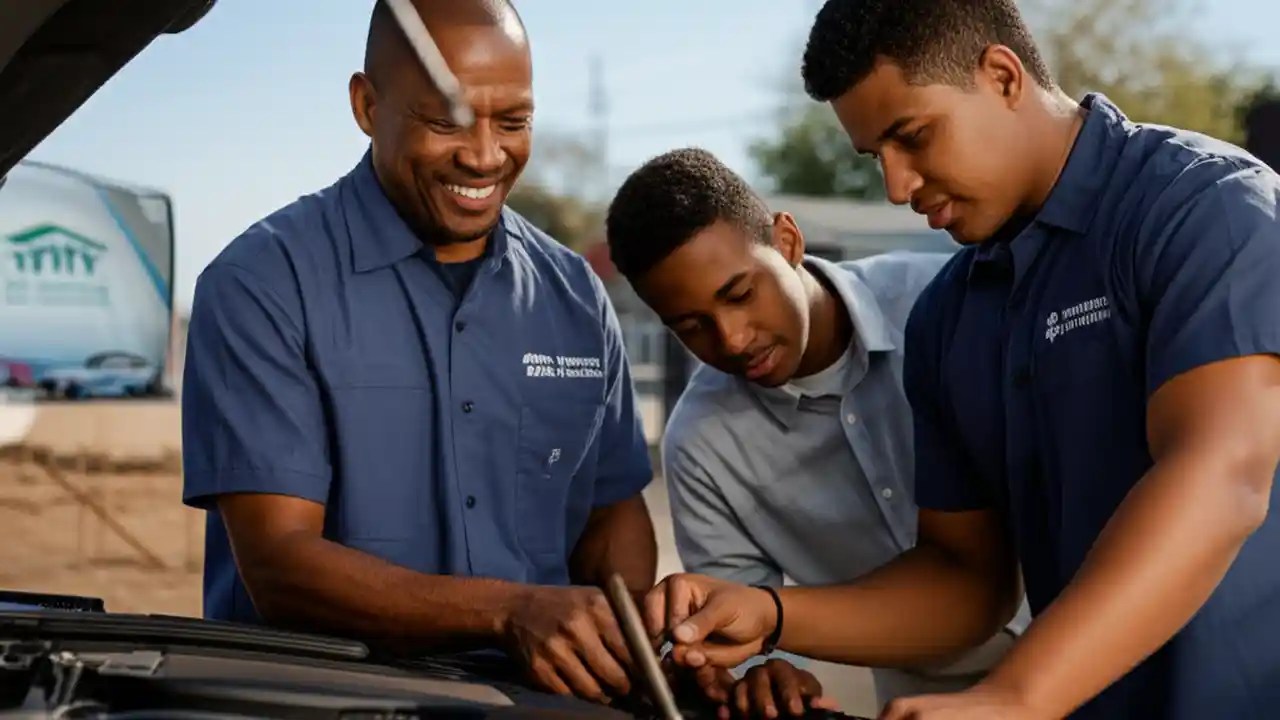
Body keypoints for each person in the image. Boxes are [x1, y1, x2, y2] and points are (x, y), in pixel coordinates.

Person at [644, 1, 1280, 718]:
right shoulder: (950, 314)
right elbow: (967, 585)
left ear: (1002, 76)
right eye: (875, 157)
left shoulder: (1206, 208)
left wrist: (1016, 695)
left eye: (912, 137)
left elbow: (1221, 474)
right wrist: (772, 613)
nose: (896, 185)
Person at [181, 0, 657, 703]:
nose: (486, 155)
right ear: (367, 105)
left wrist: (634, 634)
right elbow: (279, 565)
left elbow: (609, 518)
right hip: (323, 703)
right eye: (447, 121)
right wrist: (509, 612)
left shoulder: (575, 296)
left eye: (514, 121)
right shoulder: (261, 284)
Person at [606, 147, 1030, 715]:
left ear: (787, 242)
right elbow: (743, 633)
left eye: (740, 294)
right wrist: (763, 674)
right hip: (922, 699)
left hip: (1100, 648)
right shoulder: (703, 444)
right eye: (691, 326)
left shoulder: (942, 307)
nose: (730, 339)